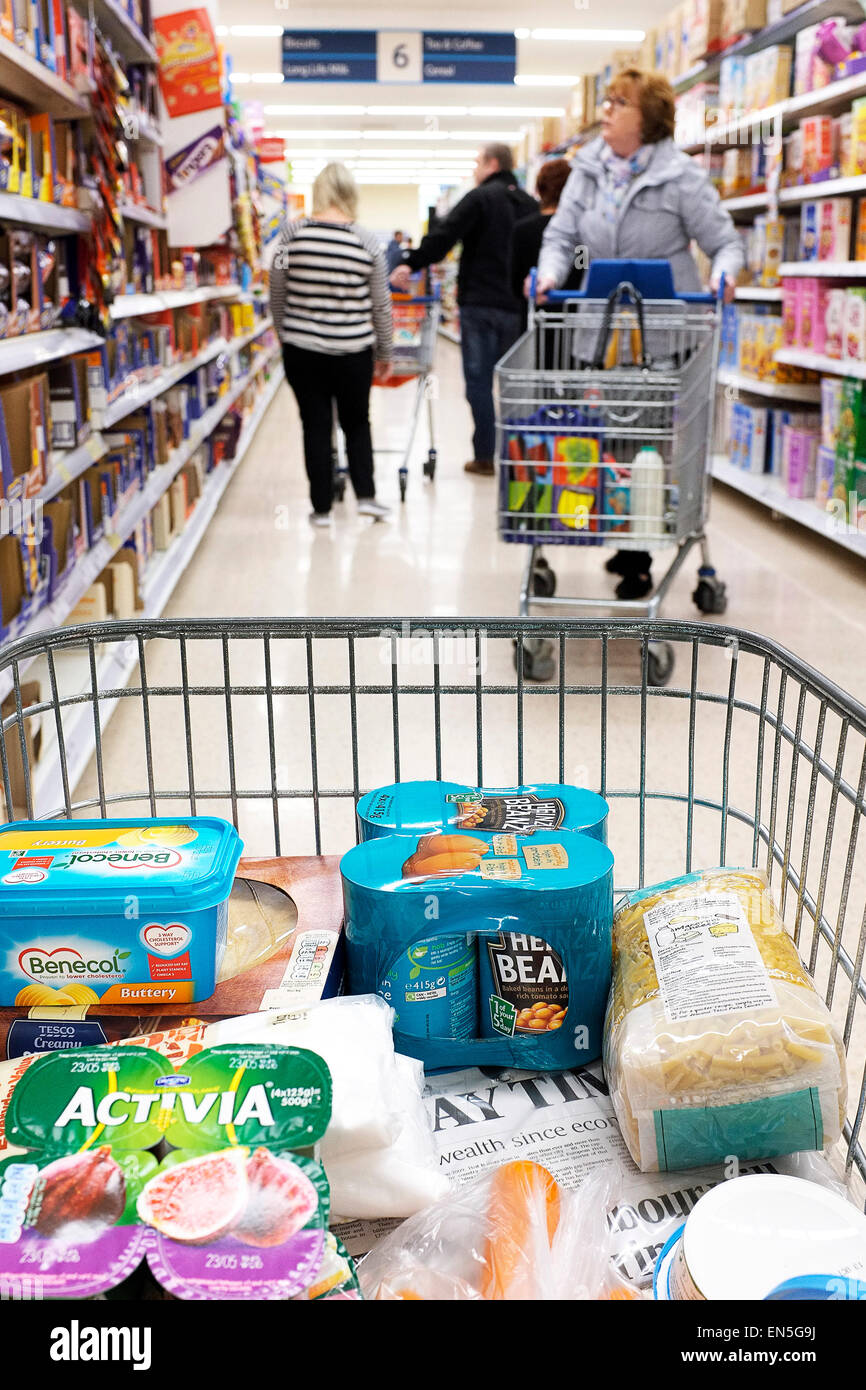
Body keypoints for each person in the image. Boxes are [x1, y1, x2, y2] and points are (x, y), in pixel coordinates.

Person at [535, 68, 743, 599]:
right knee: (601, 436)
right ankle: (612, 528)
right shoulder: (586, 170)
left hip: (662, 333)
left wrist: (724, 275)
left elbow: (724, 242)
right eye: (606, 100)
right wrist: (552, 275)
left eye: (619, 102)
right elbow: (560, 237)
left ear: (647, 119)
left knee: (645, 443)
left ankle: (637, 553)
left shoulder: (681, 177)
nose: (606, 110)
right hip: (597, 333)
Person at [391, 143, 536, 476]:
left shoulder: (480, 198)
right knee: (516, 382)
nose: (474, 170)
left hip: (480, 304)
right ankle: (519, 459)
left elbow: (444, 237)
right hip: (517, 307)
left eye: (477, 163)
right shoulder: (530, 203)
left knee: (479, 381)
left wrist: (411, 262)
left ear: (492, 164)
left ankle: (485, 456)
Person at [269, 162, 393, 527]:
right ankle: (367, 497)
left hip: (303, 350)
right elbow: (381, 304)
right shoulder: (366, 241)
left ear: (319, 192)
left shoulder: (291, 235)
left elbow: (277, 293)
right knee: (357, 422)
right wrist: (385, 352)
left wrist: (285, 335)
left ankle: (321, 508)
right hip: (353, 351)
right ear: (350, 194)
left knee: (315, 425)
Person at [510, 157, 577, 327]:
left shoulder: (522, 230)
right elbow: (582, 267)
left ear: (539, 189)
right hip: (574, 318)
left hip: (534, 317)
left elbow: (515, 282)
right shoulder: (579, 231)